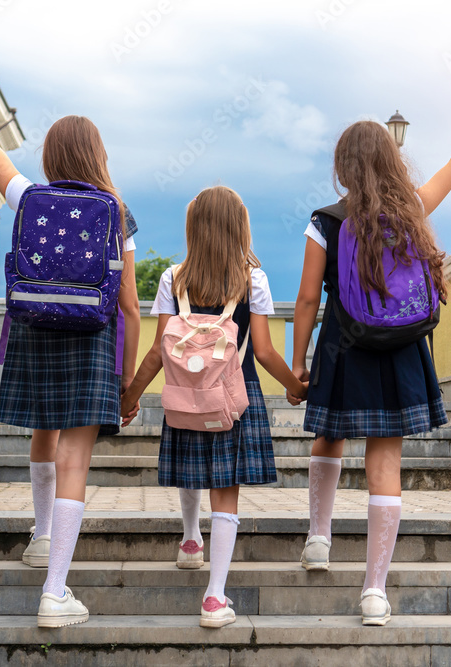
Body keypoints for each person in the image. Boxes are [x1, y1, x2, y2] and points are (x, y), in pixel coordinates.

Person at [290, 93, 451, 626]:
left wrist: (298, 364)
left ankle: (320, 537)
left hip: (345, 345)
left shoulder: (325, 221)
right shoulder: (412, 208)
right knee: (385, 465)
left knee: (328, 436)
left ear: (343, 166)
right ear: (391, 160)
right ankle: (374, 591)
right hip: (400, 348)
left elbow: (305, 299)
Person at [0, 49, 142, 628]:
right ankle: (55, 591)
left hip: (35, 328)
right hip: (92, 337)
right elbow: (130, 306)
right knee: (75, 456)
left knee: (43, 432)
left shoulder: (29, 197)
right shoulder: (115, 212)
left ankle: (42, 534)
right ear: (98, 156)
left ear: (51, 156)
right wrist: (128, 380)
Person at [121, 186, 308, 628]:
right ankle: (214, 597)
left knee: (191, 466)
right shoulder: (253, 280)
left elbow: (158, 351)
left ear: (193, 226)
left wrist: (130, 398)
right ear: (240, 226)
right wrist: (296, 388)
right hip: (235, 396)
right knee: (226, 492)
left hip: (185, 392)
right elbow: (264, 351)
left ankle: (190, 540)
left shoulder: (173, 279)